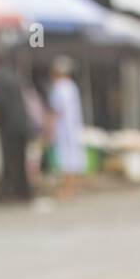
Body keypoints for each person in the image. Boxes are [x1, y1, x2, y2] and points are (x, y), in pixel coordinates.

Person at [0, 53, 33, 201]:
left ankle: (8, 191)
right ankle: (23, 192)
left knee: (9, 160)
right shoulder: (14, 76)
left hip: (8, 126)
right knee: (20, 160)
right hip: (22, 124)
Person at [47, 56, 85, 199]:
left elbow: (56, 110)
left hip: (63, 129)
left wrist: (48, 127)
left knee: (65, 159)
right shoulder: (72, 86)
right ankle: (71, 189)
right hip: (73, 127)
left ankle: (67, 190)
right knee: (72, 158)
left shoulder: (59, 87)